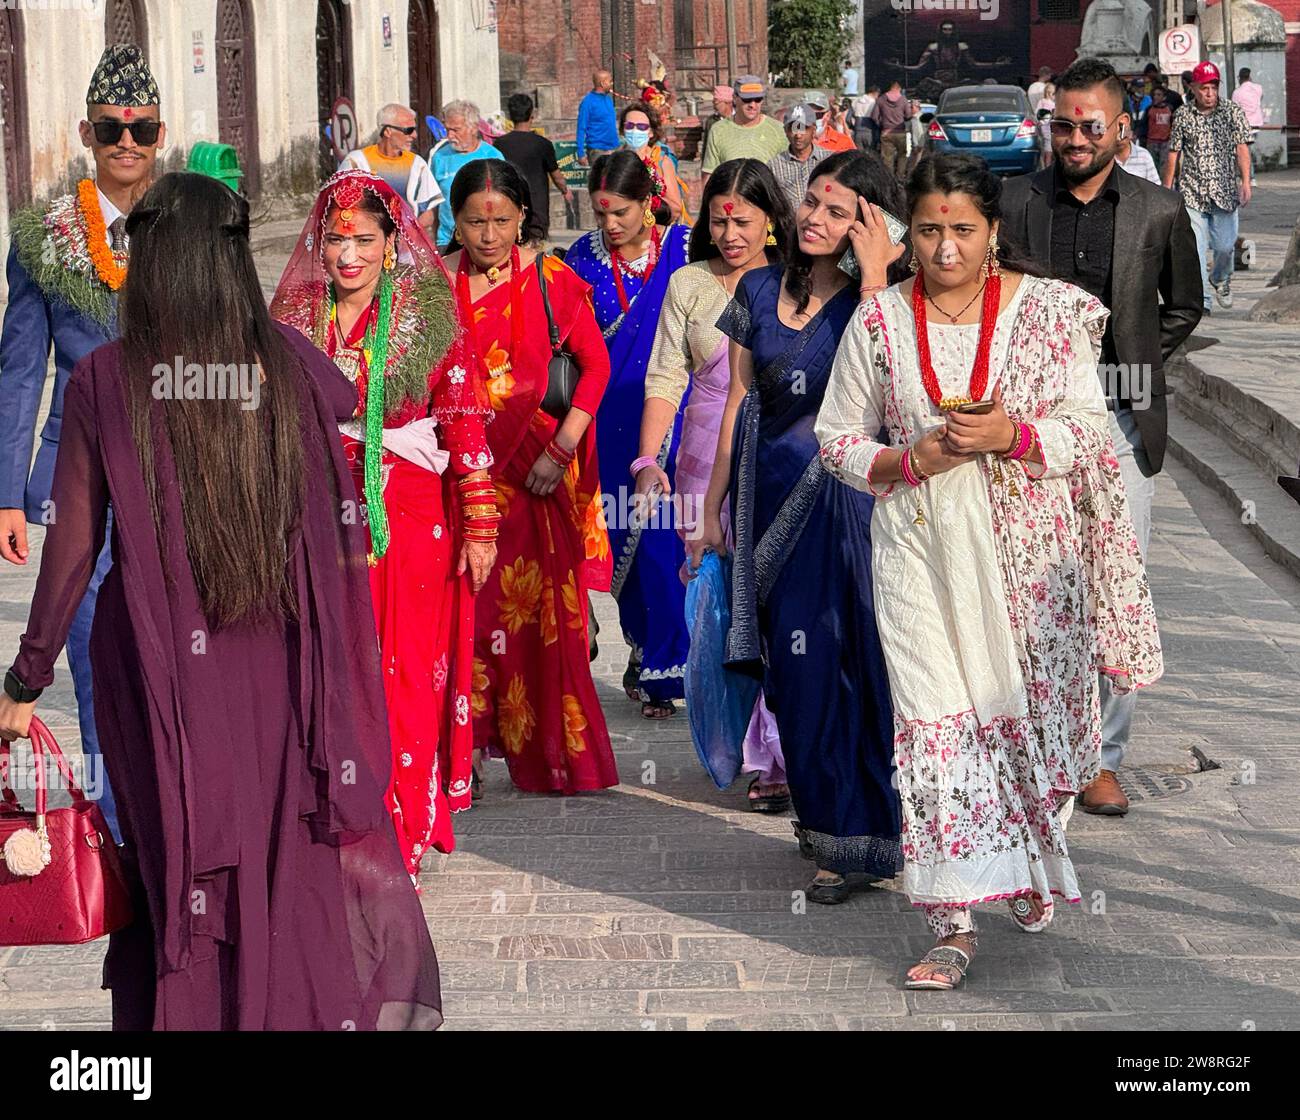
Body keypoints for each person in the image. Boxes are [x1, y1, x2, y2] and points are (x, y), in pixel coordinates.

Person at [0, 171, 444, 1031]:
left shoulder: (104, 381)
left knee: (187, 860)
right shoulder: (286, 367)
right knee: (279, 857)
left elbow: (73, 548)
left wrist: (25, 680)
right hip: (276, 669)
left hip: (165, 677)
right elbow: (347, 396)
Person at [815, 152, 1163, 990]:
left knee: (1028, 724)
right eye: (928, 231)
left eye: (961, 231)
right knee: (933, 730)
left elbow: (1088, 432)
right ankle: (951, 924)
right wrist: (912, 457)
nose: (943, 250)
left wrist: (1013, 435)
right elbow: (836, 441)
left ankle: (1028, 859)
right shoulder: (877, 323)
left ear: (995, 231)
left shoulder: (1047, 315)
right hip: (918, 554)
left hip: (1030, 566)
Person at [688, 150, 908, 904]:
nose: (815, 216)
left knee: (851, 670)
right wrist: (711, 507)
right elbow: (735, 405)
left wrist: (877, 271)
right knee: (795, 676)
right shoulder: (754, 287)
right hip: (763, 504)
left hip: (844, 505)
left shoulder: (873, 301)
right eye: (812, 200)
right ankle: (823, 824)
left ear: (867, 226)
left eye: (839, 210)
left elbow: (888, 394)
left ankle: (865, 839)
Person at [271, 170, 495, 870]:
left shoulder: (428, 320)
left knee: (404, 671)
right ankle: (337, 823)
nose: (348, 256)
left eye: (364, 239)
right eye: (336, 240)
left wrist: (480, 523)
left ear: (393, 241)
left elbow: (461, 423)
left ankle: (402, 827)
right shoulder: (294, 319)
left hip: (408, 519)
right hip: (315, 517)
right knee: (327, 671)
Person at [1001, 58, 1202, 816]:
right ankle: (1034, 744)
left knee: (1116, 588)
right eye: (1063, 123)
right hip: (1026, 424)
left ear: (1122, 129)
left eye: (1091, 125)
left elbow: (1186, 303)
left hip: (1118, 419)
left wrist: (1134, 361)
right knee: (1026, 587)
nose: (1076, 137)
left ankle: (1100, 760)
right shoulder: (1015, 200)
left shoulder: (1157, 208)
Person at [0, 43, 166, 845]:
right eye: (111, 128)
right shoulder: (41, 238)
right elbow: (20, 370)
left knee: (175, 652)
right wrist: (6, 491)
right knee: (98, 660)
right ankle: (118, 828)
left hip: (174, 476)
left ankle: (178, 807)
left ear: (160, 135)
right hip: (77, 480)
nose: (126, 142)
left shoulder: (190, 224)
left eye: (140, 128)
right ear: (85, 133)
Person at [442, 160, 620, 796]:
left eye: (501, 221)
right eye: (473, 221)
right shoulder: (435, 285)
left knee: (533, 622)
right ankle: (464, 753)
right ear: (453, 219)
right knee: (466, 614)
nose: (488, 235)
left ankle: (545, 751)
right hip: (459, 480)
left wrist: (562, 451)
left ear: (522, 219)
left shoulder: (552, 281)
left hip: (536, 478)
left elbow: (594, 371)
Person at [636, 159, 794, 811]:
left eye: (744, 221)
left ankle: (777, 753)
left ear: (771, 223)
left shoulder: (795, 284)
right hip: (702, 465)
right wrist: (649, 459)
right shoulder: (687, 285)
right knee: (715, 610)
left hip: (779, 458)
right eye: (720, 220)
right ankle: (732, 741)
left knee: (775, 609)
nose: (730, 233)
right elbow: (664, 379)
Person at [565, 151, 693, 719]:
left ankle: (682, 662)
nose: (611, 225)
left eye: (620, 212)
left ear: (648, 203)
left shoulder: (688, 248)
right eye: (600, 215)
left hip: (682, 414)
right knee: (630, 540)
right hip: (609, 418)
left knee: (676, 539)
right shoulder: (581, 260)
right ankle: (646, 653)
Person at [1164, 61, 1252, 312]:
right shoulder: (1182, 115)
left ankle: (1221, 278)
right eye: (1204, 88)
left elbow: (1242, 147)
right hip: (1193, 193)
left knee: (1225, 246)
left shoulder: (1232, 112)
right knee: (1197, 249)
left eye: (1214, 87)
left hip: (1225, 192)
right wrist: (1166, 188)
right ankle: (1202, 300)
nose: (1210, 93)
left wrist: (1245, 181)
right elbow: (1174, 153)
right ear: (1193, 88)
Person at [340, 103, 442, 237]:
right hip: (368, 242)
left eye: (414, 129)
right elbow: (342, 207)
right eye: (408, 130)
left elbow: (428, 213)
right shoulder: (356, 161)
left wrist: (407, 234)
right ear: (387, 131)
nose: (414, 135)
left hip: (406, 246)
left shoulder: (417, 164)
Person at [495, 92, 573, 242]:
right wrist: (565, 190)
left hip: (509, 207)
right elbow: (556, 174)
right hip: (537, 209)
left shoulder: (500, 144)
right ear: (532, 114)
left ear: (510, 116)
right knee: (536, 250)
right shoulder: (542, 144)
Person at [429, 100, 505, 251]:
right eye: (447, 129)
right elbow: (433, 204)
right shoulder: (439, 157)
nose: (450, 136)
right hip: (446, 240)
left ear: (473, 128)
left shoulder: (492, 156)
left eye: (456, 130)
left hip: (484, 240)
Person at [700, 75, 788, 185]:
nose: (752, 105)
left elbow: (788, 174)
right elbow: (709, 175)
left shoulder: (778, 129)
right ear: (735, 98)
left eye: (757, 99)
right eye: (747, 99)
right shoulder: (718, 130)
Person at [621, 101, 687, 223]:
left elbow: (676, 208)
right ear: (623, 129)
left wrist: (648, 206)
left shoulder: (662, 161)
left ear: (651, 132)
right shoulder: (615, 161)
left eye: (641, 127)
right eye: (629, 126)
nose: (635, 130)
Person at [767, 104, 832, 216]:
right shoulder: (774, 165)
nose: (798, 135)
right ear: (786, 131)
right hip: (789, 229)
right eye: (793, 128)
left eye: (803, 128)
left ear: (814, 130)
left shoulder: (829, 160)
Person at [576, 70, 619, 167]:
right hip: (597, 150)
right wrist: (580, 153)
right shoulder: (588, 102)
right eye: (610, 81)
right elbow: (581, 128)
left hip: (614, 148)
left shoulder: (608, 99)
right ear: (603, 83)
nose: (612, 84)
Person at [871, 80, 913, 178]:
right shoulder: (903, 100)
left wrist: (881, 125)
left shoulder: (881, 99)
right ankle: (900, 177)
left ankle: (889, 178)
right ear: (898, 88)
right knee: (902, 155)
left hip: (886, 133)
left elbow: (874, 116)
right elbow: (908, 115)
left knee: (887, 158)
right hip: (900, 132)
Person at [1232, 68, 1265, 186]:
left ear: (1240, 78)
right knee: (1247, 151)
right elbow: (1260, 99)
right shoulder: (1258, 88)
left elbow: (1235, 110)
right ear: (1250, 77)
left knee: (1245, 152)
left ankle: (1250, 177)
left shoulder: (1237, 92)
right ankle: (1248, 177)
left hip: (1244, 125)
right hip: (1256, 124)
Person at [1144, 84, 1174, 173]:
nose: (1156, 97)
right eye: (1154, 95)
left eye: (1159, 95)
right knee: (1151, 167)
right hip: (1152, 142)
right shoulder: (1149, 109)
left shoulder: (1169, 109)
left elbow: (1173, 124)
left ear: (1164, 97)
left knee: (1164, 168)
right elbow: (1144, 125)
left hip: (1165, 142)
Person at [1036, 82, 1056, 169]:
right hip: (1048, 129)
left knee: (1045, 150)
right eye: (1054, 94)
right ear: (1049, 93)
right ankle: (1047, 167)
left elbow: (1037, 113)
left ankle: (1045, 166)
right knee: (1049, 151)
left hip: (1043, 129)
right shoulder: (1051, 104)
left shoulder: (1041, 102)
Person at [853, 85, 880, 151]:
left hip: (857, 131)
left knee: (859, 156)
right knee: (870, 155)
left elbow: (849, 118)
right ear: (875, 93)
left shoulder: (856, 101)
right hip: (869, 131)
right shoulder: (874, 102)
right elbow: (875, 117)